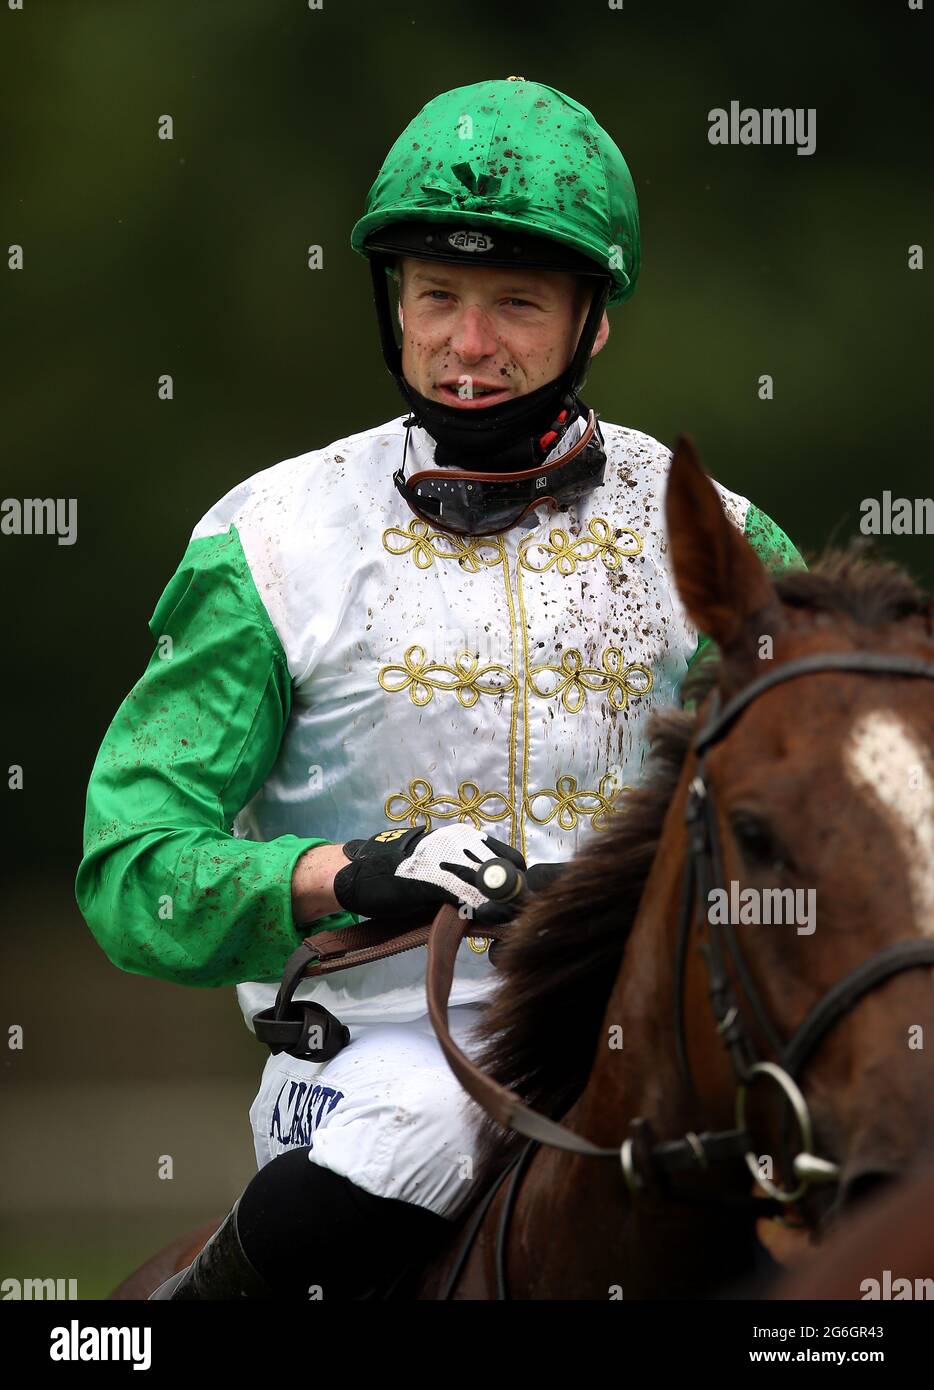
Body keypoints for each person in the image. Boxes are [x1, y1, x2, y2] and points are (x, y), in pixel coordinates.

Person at [76, 77, 803, 1299]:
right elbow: (129, 869)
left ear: (593, 322)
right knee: (379, 1168)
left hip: (665, 1038)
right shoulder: (270, 538)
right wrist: (346, 870)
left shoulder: (717, 540)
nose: (468, 345)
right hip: (385, 1051)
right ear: (394, 304)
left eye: (515, 302)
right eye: (436, 297)